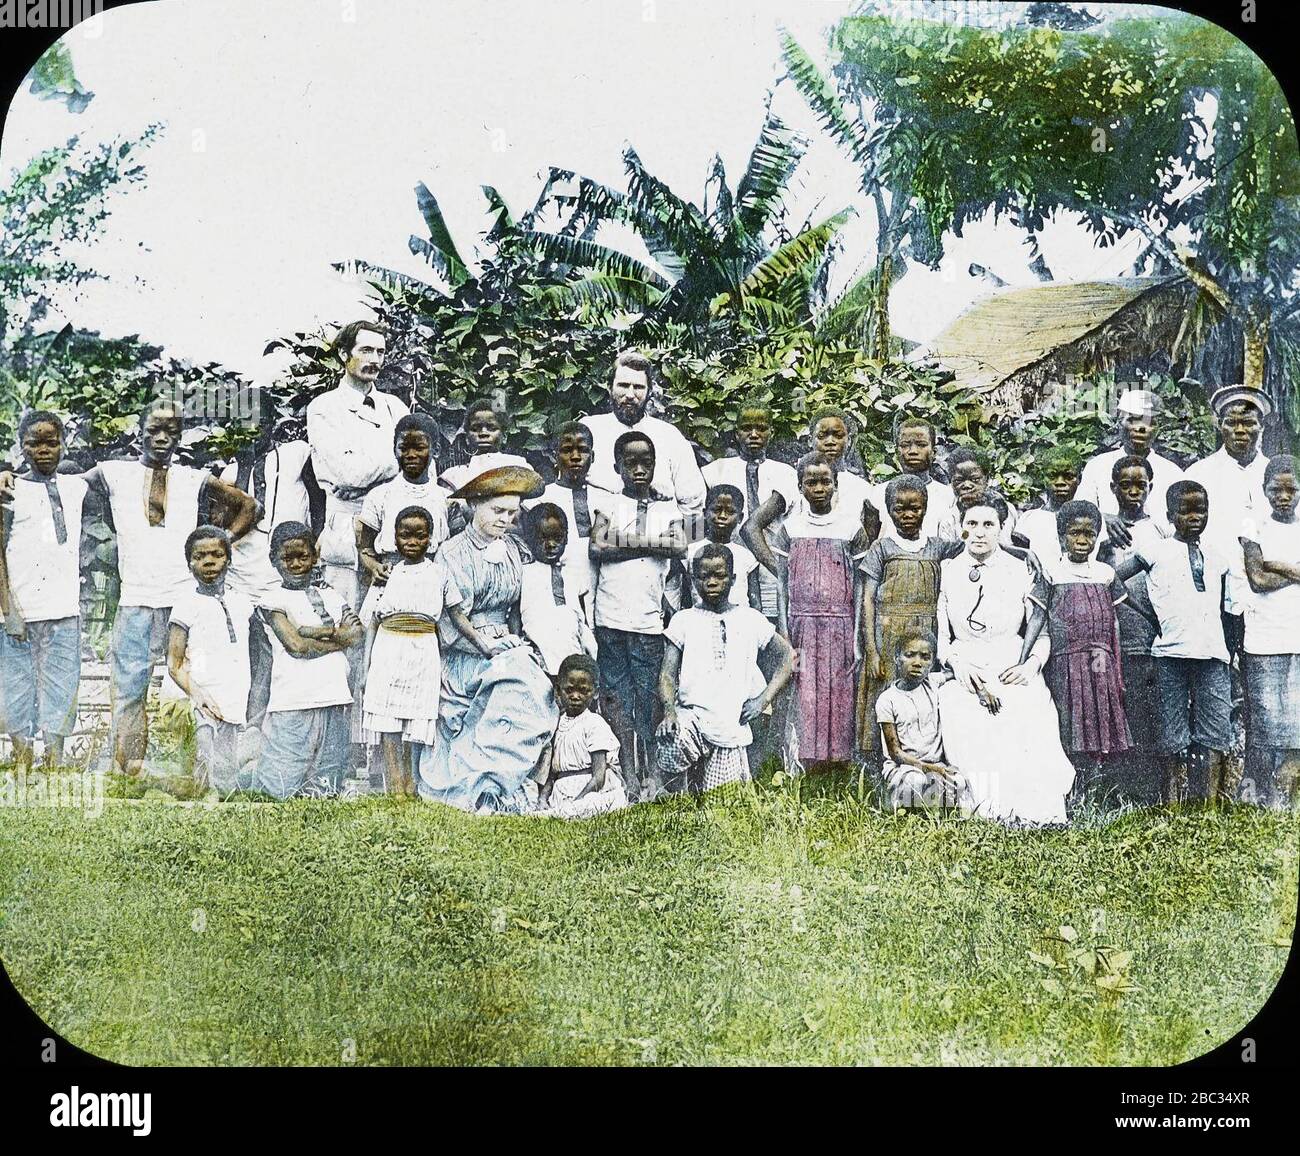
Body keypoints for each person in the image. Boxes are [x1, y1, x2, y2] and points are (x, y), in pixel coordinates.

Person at [4, 398, 259, 774]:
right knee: (128, 692)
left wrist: (221, 543)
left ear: (180, 436)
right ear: (139, 431)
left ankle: (202, 771)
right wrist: (5, 472)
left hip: (185, 602)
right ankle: (128, 772)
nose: (161, 438)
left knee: (199, 682)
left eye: (170, 432)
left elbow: (249, 507)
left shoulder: (193, 478)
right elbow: (48, 483)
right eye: (153, 430)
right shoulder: (110, 473)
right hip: (135, 602)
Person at [420, 465, 556, 813]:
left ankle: (506, 784)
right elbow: (449, 622)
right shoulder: (452, 553)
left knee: (536, 685)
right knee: (514, 683)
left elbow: (516, 609)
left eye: (512, 514)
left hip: (507, 644)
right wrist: (490, 646)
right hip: (467, 652)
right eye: (497, 511)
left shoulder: (513, 548)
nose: (505, 520)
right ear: (474, 506)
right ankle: (483, 788)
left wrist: (517, 640)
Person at [935, 496, 1075, 824]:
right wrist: (957, 665)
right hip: (967, 662)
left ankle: (1031, 811)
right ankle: (986, 809)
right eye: (971, 524)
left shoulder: (1020, 569)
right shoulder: (947, 570)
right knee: (960, 708)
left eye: (989, 525)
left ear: (1002, 528)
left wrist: (1031, 665)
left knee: (1027, 708)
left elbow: (1039, 633)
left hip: (1012, 661)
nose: (980, 533)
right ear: (960, 528)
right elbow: (942, 638)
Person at [1112, 480, 1233, 805]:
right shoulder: (1155, 550)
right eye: (1186, 511)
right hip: (1168, 654)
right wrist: (1149, 617)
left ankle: (1207, 807)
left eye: (1201, 510)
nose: (1195, 517)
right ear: (1169, 515)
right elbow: (1111, 578)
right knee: (1170, 731)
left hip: (1212, 655)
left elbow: (1224, 608)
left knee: (1214, 730)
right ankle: (1172, 806)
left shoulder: (1218, 556)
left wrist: (1230, 650)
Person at [589, 432, 687, 792]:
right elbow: (598, 546)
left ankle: (655, 772)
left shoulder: (668, 508)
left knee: (649, 698)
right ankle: (628, 773)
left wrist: (625, 542)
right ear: (618, 467)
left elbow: (678, 544)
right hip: (611, 617)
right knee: (618, 697)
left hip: (648, 621)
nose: (640, 469)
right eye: (631, 463)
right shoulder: (609, 504)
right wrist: (651, 546)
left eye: (647, 462)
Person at [655, 543, 794, 796]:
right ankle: (677, 801)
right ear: (693, 579)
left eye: (719, 576)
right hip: (692, 719)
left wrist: (762, 700)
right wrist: (669, 712)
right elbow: (666, 674)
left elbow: (788, 657)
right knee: (672, 739)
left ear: (733, 579)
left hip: (730, 725)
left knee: (723, 804)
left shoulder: (750, 619)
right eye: (704, 576)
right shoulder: (683, 620)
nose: (711, 582)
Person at [1021, 500, 1132, 807]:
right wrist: (1021, 658)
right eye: (1075, 534)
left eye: (1090, 534)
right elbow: (1038, 618)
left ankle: (1097, 793)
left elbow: (1116, 622)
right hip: (1066, 661)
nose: (1082, 540)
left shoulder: (1105, 573)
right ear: (1061, 537)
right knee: (1070, 722)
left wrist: (1117, 667)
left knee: (1100, 722)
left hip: (1100, 662)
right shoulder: (1053, 573)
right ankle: (1069, 792)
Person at [764, 453, 869, 768]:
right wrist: (784, 631)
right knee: (806, 693)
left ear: (836, 485)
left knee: (839, 691)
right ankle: (807, 761)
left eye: (826, 481)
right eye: (811, 482)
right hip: (802, 626)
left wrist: (857, 635)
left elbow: (861, 584)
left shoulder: (851, 528)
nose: (819, 488)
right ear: (800, 486)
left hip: (840, 624)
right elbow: (783, 584)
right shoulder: (791, 528)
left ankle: (839, 761)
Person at [0, 411, 89, 769]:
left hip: (64, 611)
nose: (43, 450)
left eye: (52, 442)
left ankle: (53, 763)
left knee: (61, 688)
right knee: (17, 688)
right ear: (21, 447)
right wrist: (10, 611)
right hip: (20, 612)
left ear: (64, 445)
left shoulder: (78, 485)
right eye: (33, 443)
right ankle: (20, 760)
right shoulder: (9, 491)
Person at [358, 506, 462, 797]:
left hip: (424, 650)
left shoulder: (440, 574)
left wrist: (484, 644)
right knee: (389, 721)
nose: (412, 542)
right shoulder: (386, 574)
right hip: (389, 649)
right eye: (405, 535)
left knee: (415, 722)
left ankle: (411, 785)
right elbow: (372, 624)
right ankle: (395, 788)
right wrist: (366, 668)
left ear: (431, 539)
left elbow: (456, 616)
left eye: (420, 536)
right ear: (395, 538)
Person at [256, 521, 364, 799]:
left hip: (335, 694)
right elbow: (296, 645)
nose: (295, 564)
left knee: (328, 775)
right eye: (286, 558)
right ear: (273, 560)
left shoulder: (330, 594)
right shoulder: (272, 599)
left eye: (302, 557)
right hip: (294, 697)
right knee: (284, 777)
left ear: (315, 556)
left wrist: (316, 632)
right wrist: (334, 638)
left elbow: (356, 635)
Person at [858, 475, 964, 755]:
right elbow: (868, 599)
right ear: (889, 510)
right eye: (899, 508)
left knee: (922, 696)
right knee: (886, 695)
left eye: (914, 508)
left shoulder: (936, 546)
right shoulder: (882, 548)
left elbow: (974, 544)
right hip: (889, 635)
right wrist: (872, 650)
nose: (907, 515)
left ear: (925, 508)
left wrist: (1023, 552)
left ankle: (923, 755)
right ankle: (880, 763)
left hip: (926, 634)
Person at [305, 320, 409, 603]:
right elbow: (348, 475)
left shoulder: (395, 407)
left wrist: (371, 474)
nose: (374, 360)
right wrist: (398, 461)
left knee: (390, 611)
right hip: (345, 527)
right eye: (365, 350)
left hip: (391, 526)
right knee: (346, 614)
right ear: (343, 354)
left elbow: (420, 465)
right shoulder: (324, 408)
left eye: (380, 352)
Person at [1097, 454, 1169, 805]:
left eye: (1141, 485)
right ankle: (1116, 790)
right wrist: (1102, 531)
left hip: (1148, 635)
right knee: (1115, 711)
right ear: (1113, 488)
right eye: (1125, 485)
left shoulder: (1160, 529)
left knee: (1144, 712)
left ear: (1151, 487)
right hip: (1112, 637)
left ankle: (1148, 792)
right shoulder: (1101, 532)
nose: (1133, 491)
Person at [1185, 384, 1272, 675]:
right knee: (1216, 675)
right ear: (1219, 425)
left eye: (1248, 423)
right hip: (1213, 593)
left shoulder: (1277, 474)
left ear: (1262, 426)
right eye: (1231, 422)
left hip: (1269, 593)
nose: (1240, 430)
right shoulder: (1200, 473)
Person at [165, 526, 259, 794]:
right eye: (200, 556)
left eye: (216, 554)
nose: (208, 562)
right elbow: (174, 663)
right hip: (198, 696)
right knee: (203, 755)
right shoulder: (185, 603)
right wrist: (198, 694)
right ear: (189, 563)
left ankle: (223, 808)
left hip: (232, 695)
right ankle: (200, 806)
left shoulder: (242, 601)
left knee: (226, 762)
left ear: (228, 559)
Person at [581, 350, 707, 524]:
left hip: (658, 541)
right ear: (609, 387)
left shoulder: (669, 436)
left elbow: (693, 502)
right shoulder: (589, 430)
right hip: (599, 540)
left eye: (639, 387)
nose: (631, 395)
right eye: (623, 385)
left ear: (649, 391)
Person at [1239, 455, 1300, 809]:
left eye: (1291, 489)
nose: (1283, 496)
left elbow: (1266, 569)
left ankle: (1290, 798)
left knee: (1296, 718)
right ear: (1264, 490)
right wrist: (1293, 569)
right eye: (1276, 489)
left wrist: (1273, 562)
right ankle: (1264, 796)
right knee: (1266, 719)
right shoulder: (1253, 523)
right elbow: (1258, 579)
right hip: (1264, 636)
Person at [701, 402, 798, 622]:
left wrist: (784, 575)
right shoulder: (715, 470)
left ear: (771, 432)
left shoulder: (784, 473)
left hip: (772, 572)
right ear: (736, 433)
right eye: (746, 428)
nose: (754, 434)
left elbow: (752, 526)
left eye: (761, 428)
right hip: (729, 574)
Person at [743, 407, 877, 561]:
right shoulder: (792, 480)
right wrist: (781, 573)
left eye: (838, 436)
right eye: (822, 436)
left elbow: (866, 549)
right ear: (809, 440)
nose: (830, 442)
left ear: (849, 440)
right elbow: (751, 528)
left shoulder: (862, 489)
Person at [875, 630, 971, 812]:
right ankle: (898, 803)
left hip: (936, 765)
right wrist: (928, 769)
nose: (917, 663)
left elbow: (959, 674)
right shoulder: (888, 699)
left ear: (933, 662)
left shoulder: (932, 683)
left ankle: (928, 804)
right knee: (916, 782)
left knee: (959, 782)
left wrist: (982, 691)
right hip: (904, 768)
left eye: (925, 657)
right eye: (909, 655)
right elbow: (895, 752)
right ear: (897, 658)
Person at [1076, 388, 1184, 546]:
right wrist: (1101, 517)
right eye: (1133, 420)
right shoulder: (1098, 466)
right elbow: (1077, 512)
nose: (1141, 428)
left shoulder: (1172, 473)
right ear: (1119, 422)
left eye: (1148, 422)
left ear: (1157, 428)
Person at [356, 412, 450, 587]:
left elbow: (454, 552)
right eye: (403, 448)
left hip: (432, 584)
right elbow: (364, 550)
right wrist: (376, 567)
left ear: (435, 450)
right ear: (394, 449)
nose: (411, 455)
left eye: (419, 448)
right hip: (390, 582)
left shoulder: (445, 499)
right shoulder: (380, 496)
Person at [533, 653, 628, 820]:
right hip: (562, 790)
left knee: (591, 805)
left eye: (583, 691)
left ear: (596, 692)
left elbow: (599, 777)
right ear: (557, 690)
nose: (575, 696)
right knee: (547, 809)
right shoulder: (556, 724)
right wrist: (542, 798)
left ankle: (567, 813)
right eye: (569, 690)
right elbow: (551, 775)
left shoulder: (594, 723)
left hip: (590, 789)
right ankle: (557, 812)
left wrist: (578, 801)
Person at [523, 421, 608, 600]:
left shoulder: (607, 498)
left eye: (583, 450)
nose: (575, 456)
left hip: (602, 592)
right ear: (554, 456)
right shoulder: (539, 501)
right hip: (560, 593)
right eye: (567, 450)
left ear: (592, 456)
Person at [519, 502, 597, 679]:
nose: (551, 545)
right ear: (529, 539)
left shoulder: (572, 572)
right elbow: (517, 614)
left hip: (571, 649)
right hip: (538, 653)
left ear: (566, 538)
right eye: (542, 539)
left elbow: (580, 613)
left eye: (557, 538)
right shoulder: (525, 572)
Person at [438, 399, 530, 534]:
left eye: (492, 428)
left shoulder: (518, 466)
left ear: (503, 435)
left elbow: (527, 522)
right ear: (467, 437)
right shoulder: (454, 476)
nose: (483, 433)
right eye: (476, 429)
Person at [866, 415, 956, 543]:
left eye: (921, 445)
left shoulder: (948, 496)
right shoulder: (878, 493)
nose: (913, 451)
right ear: (897, 452)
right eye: (905, 445)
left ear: (934, 452)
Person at [683, 485, 760, 610]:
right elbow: (684, 595)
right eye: (716, 510)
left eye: (730, 512)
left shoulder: (747, 556)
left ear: (740, 517)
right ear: (704, 513)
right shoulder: (691, 552)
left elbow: (755, 602)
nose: (722, 516)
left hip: (740, 622)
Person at [934, 447, 1018, 546]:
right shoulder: (949, 519)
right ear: (951, 482)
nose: (967, 485)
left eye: (975, 479)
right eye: (959, 480)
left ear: (987, 479)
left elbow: (1005, 546)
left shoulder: (1006, 510)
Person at [1014, 448, 1085, 565]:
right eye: (1052, 476)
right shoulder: (1029, 519)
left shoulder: (1090, 517)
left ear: (1079, 479)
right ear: (1043, 478)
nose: (1060, 482)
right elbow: (1018, 561)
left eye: (1068, 476)